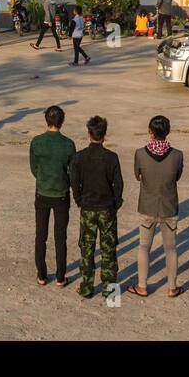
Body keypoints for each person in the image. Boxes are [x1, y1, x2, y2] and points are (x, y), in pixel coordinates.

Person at [127, 115, 185, 299]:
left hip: (147, 205)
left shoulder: (140, 153)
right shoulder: (177, 155)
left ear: (150, 132)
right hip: (169, 206)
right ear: (167, 132)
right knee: (171, 248)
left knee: (144, 246)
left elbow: (137, 175)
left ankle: (142, 286)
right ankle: (172, 287)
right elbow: (177, 177)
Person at [70, 116, 122, 299]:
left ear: (88, 133)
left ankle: (86, 287)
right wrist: (116, 203)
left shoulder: (79, 157)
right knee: (109, 249)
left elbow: (74, 183)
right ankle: (110, 290)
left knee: (87, 248)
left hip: (88, 207)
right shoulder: (112, 158)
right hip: (106, 208)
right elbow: (118, 184)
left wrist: (78, 200)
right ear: (105, 134)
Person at [29, 104, 76, 287]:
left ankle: (41, 274)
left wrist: (43, 178)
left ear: (46, 120)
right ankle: (60, 276)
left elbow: (34, 168)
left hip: (42, 192)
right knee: (60, 236)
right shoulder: (68, 144)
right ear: (62, 121)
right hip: (61, 194)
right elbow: (72, 171)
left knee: (41, 235)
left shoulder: (37, 142)